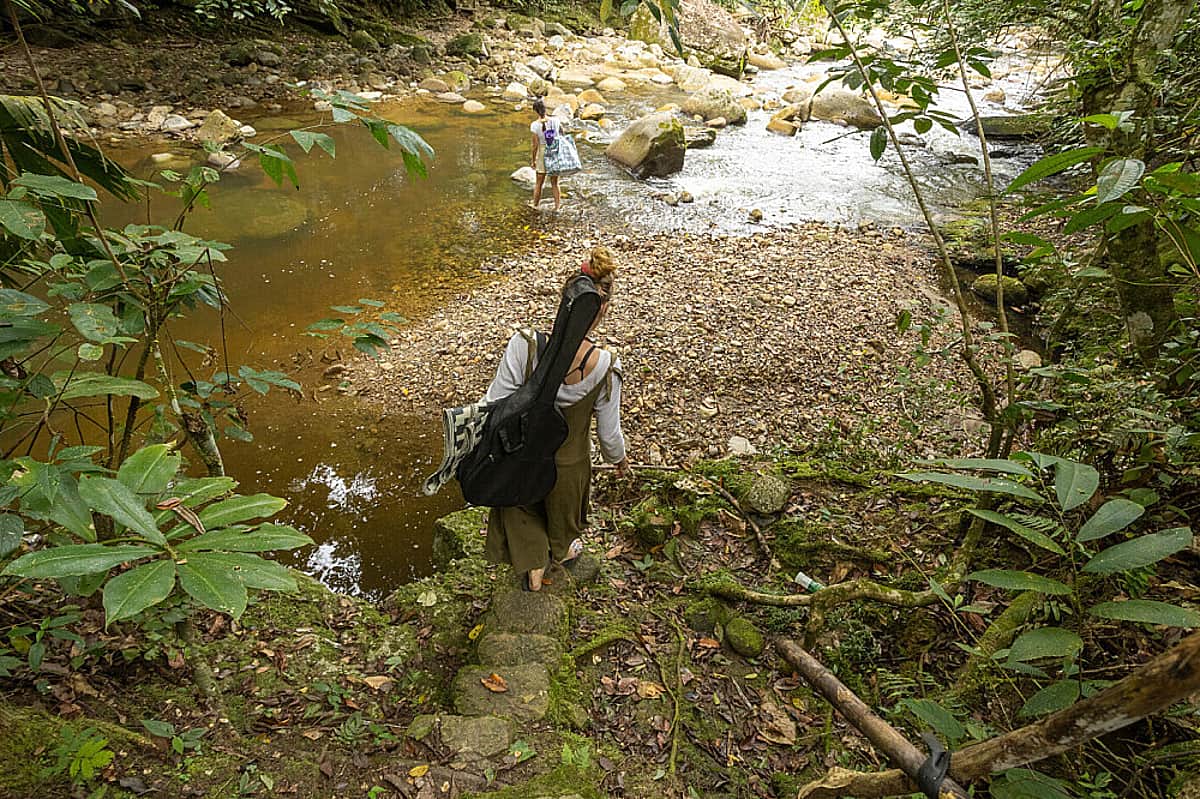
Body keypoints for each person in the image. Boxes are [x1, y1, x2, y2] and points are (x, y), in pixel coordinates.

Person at [483, 246, 629, 591]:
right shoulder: (607, 366)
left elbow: (495, 402)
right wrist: (620, 460)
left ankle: (532, 559)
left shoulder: (525, 345)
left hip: (523, 458)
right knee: (564, 507)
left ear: (563, 301)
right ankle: (562, 547)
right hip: (569, 468)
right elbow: (609, 435)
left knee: (517, 500)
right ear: (603, 309)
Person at [529, 97, 563, 212]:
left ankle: (535, 205)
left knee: (539, 183)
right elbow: (561, 136)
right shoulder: (556, 121)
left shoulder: (535, 125)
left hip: (543, 153)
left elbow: (535, 146)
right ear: (545, 109)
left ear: (536, 111)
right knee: (555, 182)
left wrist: (533, 160)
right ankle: (557, 207)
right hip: (554, 152)